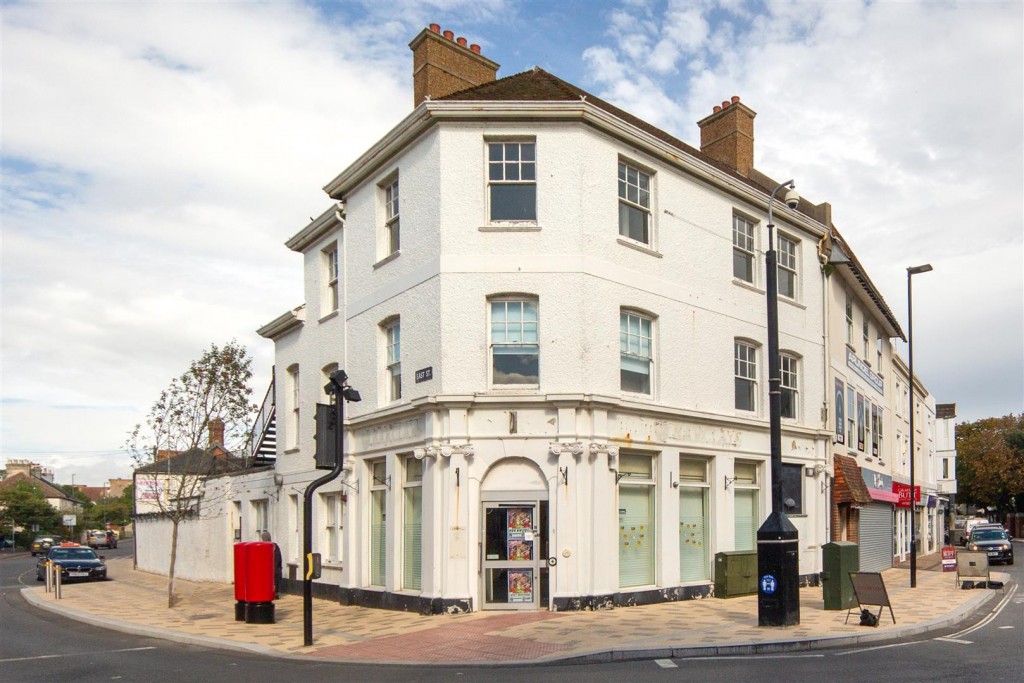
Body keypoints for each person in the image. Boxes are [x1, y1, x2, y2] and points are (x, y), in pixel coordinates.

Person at [260, 531, 283, 599]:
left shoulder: (273, 547)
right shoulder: (270, 546)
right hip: (271, 569)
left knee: (275, 581)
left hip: (274, 570)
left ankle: (275, 593)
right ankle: (274, 593)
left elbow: (276, 560)